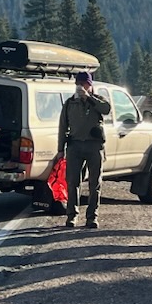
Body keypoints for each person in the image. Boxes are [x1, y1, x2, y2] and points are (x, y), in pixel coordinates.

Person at [56, 71, 111, 229]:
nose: (81, 86)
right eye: (79, 83)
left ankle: (92, 217)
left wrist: (89, 97)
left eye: (84, 83)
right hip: (75, 146)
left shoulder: (98, 100)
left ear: (90, 84)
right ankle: (71, 216)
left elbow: (106, 109)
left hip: (94, 146)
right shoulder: (70, 103)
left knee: (95, 183)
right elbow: (62, 126)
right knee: (72, 182)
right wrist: (60, 149)